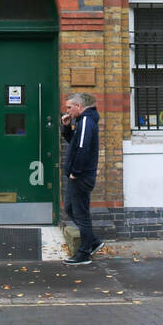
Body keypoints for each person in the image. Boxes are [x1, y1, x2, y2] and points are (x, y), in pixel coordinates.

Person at [60, 92, 104, 265]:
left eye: (69, 108)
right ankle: (94, 241)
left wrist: (76, 172)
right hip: (77, 176)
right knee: (70, 208)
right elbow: (75, 143)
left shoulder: (86, 121)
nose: (67, 111)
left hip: (81, 176)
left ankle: (84, 253)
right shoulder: (81, 121)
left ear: (79, 106)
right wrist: (66, 127)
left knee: (81, 214)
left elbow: (82, 149)